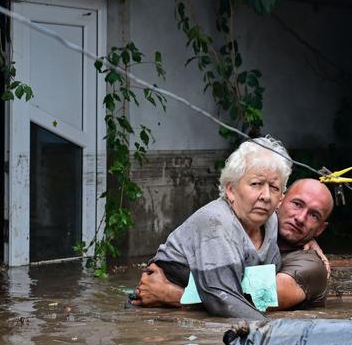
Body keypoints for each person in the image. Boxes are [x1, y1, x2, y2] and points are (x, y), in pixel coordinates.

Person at [141, 137, 291, 320]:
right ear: (231, 190)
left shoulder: (271, 222)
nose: (266, 196)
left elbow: (250, 297)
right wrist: (276, 334)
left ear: (281, 197)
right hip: (159, 319)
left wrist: (310, 241)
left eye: (274, 187)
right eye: (256, 184)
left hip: (188, 309)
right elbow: (222, 300)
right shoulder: (217, 221)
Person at [133, 178, 334, 312]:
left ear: (320, 229)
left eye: (313, 215)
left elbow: (255, 301)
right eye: (297, 204)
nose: (300, 218)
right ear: (279, 201)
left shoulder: (311, 266)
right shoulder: (247, 228)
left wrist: (171, 295)